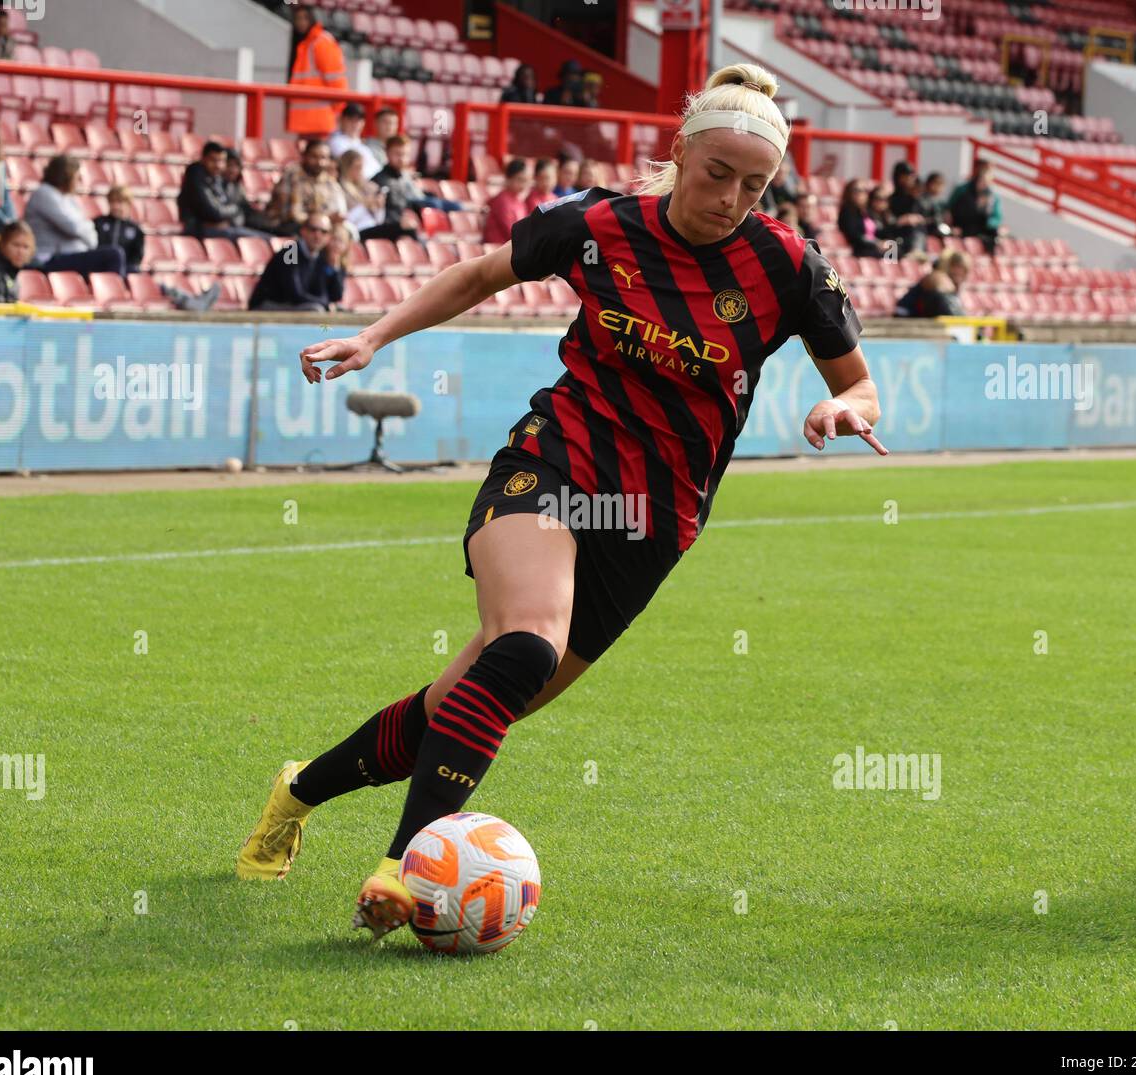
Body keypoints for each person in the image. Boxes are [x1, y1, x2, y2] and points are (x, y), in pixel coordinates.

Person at [241, 64, 885, 942]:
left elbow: (861, 385)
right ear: (681, 154)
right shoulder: (597, 224)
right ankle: (405, 869)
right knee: (521, 650)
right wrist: (374, 335)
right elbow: (477, 275)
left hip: (655, 523)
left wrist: (844, 408)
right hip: (553, 464)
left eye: (754, 184)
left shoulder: (788, 265)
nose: (731, 197)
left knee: (470, 702)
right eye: (716, 174)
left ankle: (299, 790)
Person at [23, 155, 127, 278]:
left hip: (72, 255)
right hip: (48, 258)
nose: (80, 181)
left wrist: (85, 227)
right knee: (113, 255)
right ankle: (113, 294)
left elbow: (87, 232)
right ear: (66, 175)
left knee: (130, 268)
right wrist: (87, 227)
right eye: (77, 177)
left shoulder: (69, 198)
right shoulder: (44, 194)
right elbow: (74, 227)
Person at [248, 210, 345, 312]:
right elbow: (294, 294)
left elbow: (335, 296)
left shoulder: (322, 256)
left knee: (341, 311)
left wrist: (335, 268)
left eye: (323, 232)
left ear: (328, 236)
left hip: (295, 305)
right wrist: (326, 304)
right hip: (268, 305)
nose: (318, 235)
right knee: (316, 310)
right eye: (313, 230)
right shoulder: (291, 253)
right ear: (303, 231)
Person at [178, 141, 266, 240]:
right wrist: (234, 210)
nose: (218, 165)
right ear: (203, 159)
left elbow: (234, 211)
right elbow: (214, 213)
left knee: (267, 238)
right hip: (199, 231)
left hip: (224, 228)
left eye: (221, 161)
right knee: (260, 240)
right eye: (213, 160)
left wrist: (230, 217)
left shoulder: (217, 178)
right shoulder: (196, 176)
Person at [287, 4, 347, 139]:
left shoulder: (321, 42)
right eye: (297, 18)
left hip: (321, 119)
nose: (301, 22)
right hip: (305, 119)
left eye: (305, 18)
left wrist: (338, 108)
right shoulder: (304, 44)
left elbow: (336, 79)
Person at [373, 134, 464, 224]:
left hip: (419, 203)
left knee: (456, 205)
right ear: (387, 153)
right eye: (398, 154)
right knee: (435, 204)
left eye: (405, 154)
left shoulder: (405, 174)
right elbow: (397, 204)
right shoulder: (381, 179)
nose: (402, 159)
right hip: (406, 216)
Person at [265, 138, 348, 236]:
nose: (319, 162)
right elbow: (292, 214)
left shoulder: (330, 182)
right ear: (304, 156)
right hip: (288, 227)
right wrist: (325, 218)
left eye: (323, 158)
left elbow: (340, 211)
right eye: (314, 157)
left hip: (321, 227)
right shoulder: (293, 175)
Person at [336, 149, 417, 242]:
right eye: (356, 167)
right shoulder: (341, 189)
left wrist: (379, 206)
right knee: (404, 228)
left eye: (361, 167)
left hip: (373, 227)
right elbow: (346, 219)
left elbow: (379, 220)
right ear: (347, 168)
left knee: (408, 228)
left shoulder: (365, 187)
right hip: (357, 231)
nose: (360, 171)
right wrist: (365, 205)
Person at [948, 159, 1004, 256]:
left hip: (981, 229)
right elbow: (951, 208)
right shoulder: (963, 190)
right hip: (963, 227)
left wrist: (989, 222)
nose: (983, 184)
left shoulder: (992, 197)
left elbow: (996, 217)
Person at [896, 249, 970, 318]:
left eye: (963, 269)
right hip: (906, 318)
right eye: (955, 266)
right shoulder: (935, 278)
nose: (959, 271)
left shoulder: (952, 285)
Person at [94, 186, 146, 273]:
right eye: (112, 202)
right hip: (100, 270)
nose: (115, 206)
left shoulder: (135, 230)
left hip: (125, 272)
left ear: (128, 204)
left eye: (119, 202)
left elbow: (136, 258)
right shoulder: (98, 223)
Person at [483, 158, 532, 244]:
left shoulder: (520, 201)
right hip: (499, 248)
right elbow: (511, 231)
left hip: (512, 247)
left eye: (526, 180)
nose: (523, 185)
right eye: (520, 179)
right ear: (508, 178)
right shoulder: (502, 201)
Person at [836, 179, 889, 258]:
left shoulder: (867, 212)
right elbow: (854, 234)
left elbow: (879, 231)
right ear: (849, 192)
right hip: (859, 249)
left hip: (872, 248)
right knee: (891, 257)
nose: (860, 194)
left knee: (895, 252)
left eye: (864, 190)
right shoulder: (847, 211)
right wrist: (876, 243)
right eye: (856, 190)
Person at [868, 184, 924, 258]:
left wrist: (903, 222)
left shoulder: (888, 216)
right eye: (879, 198)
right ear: (871, 200)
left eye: (886, 199)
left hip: (890, 246)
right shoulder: (867, 216)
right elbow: (876, 233)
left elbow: (892, 231)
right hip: (875, 248)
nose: (882, 202)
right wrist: (898, 223)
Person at [329, 102, 380, 182]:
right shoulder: (335, 142)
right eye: (351, 120)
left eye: (358, 120)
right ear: (342, 120)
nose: (355, 124)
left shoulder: (362, 145)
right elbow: (353, 168)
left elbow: (377, 169)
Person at [366, 106, 400, 175]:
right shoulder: (367, 147)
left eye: (393, 123)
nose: (390, 127)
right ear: (375, 123)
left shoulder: (398, 148)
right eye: (385, 122)